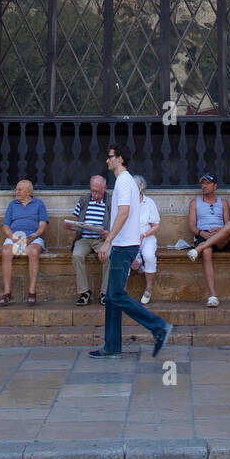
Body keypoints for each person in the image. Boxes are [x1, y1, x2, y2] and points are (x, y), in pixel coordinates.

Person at [90, 145, 172, 359]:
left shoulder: (124, 182)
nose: (107, 161)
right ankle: (112, 346)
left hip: (124, 246)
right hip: (124, 243)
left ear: (119, 159)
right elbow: (124, 216)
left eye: (109, 157)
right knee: (111, 297)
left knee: (116, 294)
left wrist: (108, 242)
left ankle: (158, 326)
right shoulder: (124, 182)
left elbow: (124, 213)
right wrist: (111, 236)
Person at [186, 173, 230, 306]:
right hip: (203, 233)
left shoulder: (223, 203)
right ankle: (212, 296)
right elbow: (191, 226)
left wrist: (219, 230)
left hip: (220, 235)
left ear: (215, 186)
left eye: (207, 183)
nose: (204, 186)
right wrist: (202, 232)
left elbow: (228, 224)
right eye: (203, 183)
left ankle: (199, 249)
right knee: (207, 252)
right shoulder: (194, 203)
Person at [0, 179, 48, 305]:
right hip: (15, 237)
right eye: (16, 189)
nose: (17, 192)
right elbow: (5, 226)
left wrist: (34, 236)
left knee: (34, 251)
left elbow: (42, 225)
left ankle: (32, 292)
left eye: (20, 189)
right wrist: (14, 237)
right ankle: (7, 292)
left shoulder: (39, 204)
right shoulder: (12, 205)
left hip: (33, 237)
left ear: (28, 192)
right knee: (6, 251)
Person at [65, 175, 111, 305]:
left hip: (101, 240)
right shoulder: (84, 200)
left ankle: (105, 293)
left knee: (109, 256)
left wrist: (108, 234)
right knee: (77, 255)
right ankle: (84, 292)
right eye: (92, 190)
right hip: (84, 238)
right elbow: (77, 219)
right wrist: (71, 226)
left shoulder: (111, 202)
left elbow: (117, 223)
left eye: (97, 191)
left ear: (104, 188)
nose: (94, 193)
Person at [128, 174, 161, 305]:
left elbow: (156, 225)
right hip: (130, 238)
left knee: (149, 255)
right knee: (127, 257)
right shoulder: (127, 203)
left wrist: (144, 235)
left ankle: (148, 288)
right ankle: (123, 292)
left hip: (147, 236)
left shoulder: (149, 203)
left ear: (140, 188)